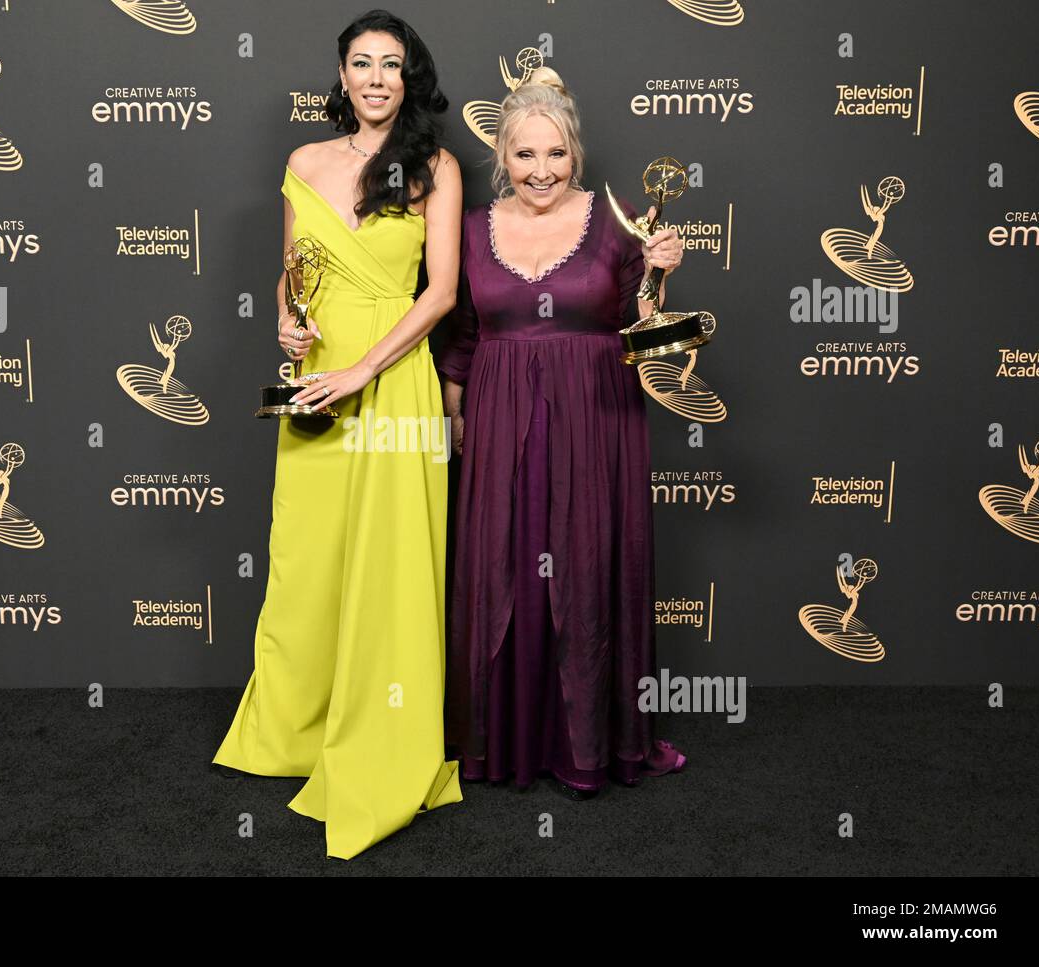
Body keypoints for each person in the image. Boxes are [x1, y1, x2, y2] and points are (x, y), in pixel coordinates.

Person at [213, 9, 463, 858]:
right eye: (362, 63)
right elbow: (292, 275)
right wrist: (287, 326)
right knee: (310, 556)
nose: (377, 78)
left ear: (410, 76)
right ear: (343, 75)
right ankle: (293, 727)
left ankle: (379, 732)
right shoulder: (304, 162)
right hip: (315, 381)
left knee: (389, 563)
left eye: (392, 65)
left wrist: (363, 370)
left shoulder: (437, 166)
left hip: (391, 380)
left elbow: (440, 295)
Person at [437, 67, 688, 799]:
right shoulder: (471, 230)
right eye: (524, 155)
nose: (541, 171)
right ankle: (504, 740)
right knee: (503, 573)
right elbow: (459, 335)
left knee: (586, 571)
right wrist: (454, 418)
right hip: (497, 411)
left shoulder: (618, 223)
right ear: (501, 156)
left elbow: (646, 329)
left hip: (595, 416)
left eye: (555, 154)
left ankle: (592, 742)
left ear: (575, 153)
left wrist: (660, 274)